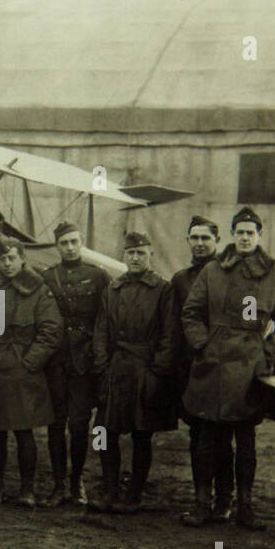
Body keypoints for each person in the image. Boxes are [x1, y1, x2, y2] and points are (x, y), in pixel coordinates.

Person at [180, 206, 275, 530]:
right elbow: (191, 313)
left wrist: (266, 354)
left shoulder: (274, 273)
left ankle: (245, 508)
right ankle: (203, 505)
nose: (245, 237)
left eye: (251, 232)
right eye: (240, 232)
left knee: (245, 442)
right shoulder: (214, 270)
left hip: (248, 371)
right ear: (232, 235)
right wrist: (202, 344)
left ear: (259, 236)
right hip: (212, 367)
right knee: (206, 441)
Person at [0, 238, 61, 507]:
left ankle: (27, 490)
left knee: (24, 432)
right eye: (2, 259)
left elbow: (51, 331)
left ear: (23, 258)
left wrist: (29, 362)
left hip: (22, 370)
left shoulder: (38, 290)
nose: (7, 264)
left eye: (12, 258)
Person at [90, 231, 175, 514]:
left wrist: (156, 373)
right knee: (104, 431)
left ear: (151, 255)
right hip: (116, 369)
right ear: (123, 256)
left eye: (141, 253)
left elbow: (169, 335)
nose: (135, 258)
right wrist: (102, 367)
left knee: (142, 435)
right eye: (130, 253)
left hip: (144, 371)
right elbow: (100, 331)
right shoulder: (113, 289)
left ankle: (134, 494)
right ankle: (110, 489)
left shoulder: (162, 290)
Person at [166, 216, 233, 523]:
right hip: (193, 371)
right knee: (199, 438)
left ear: (216, 241)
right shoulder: (180, 280)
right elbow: (174, 329)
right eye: (194, 238)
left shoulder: (232, 275)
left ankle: (224, 501)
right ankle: (201, 501)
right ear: (188, 241)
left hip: (226, 369)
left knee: (222, 438)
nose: (200, 243)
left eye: (206, 238)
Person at [40, 221, 109, 507]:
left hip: (84, 360)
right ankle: (57, 485)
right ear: (57, 246)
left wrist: (98, 353)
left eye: (74, 242)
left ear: (81, 243)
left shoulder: (98, 277)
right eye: (63, 243)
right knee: (55, 423)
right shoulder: (47, 277)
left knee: (79, 424)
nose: (69, 248)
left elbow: (106, 318)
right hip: (55, 359)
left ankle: (76, 481)